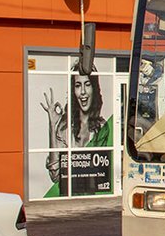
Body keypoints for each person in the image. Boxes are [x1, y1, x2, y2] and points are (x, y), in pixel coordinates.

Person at [40, 67, 112, 197]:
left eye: (87, 84)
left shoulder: (101, 127)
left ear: (94, 88)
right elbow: (55, 175)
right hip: (67, 193)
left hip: (93, 196)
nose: (83, 92)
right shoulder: (65, 126)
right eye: (78, 85)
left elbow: (99, 171)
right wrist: (52, 125)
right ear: (73, 91)